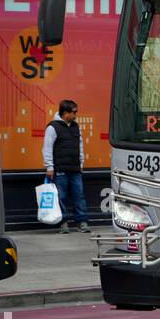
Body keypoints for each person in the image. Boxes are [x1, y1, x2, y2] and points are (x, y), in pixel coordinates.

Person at [43, 99, 91, 234]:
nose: (76, 115)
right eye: (74, 112)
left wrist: (81, 163)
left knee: (79, 196)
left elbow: (80, 146)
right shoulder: (52, 127)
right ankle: (63, 223)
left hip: (75, 169)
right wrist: (49, 167)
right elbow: (47, 148)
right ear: (65, 113)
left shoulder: (75, 127)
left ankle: (82, 222)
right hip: (60, 170)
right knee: (60, 197)